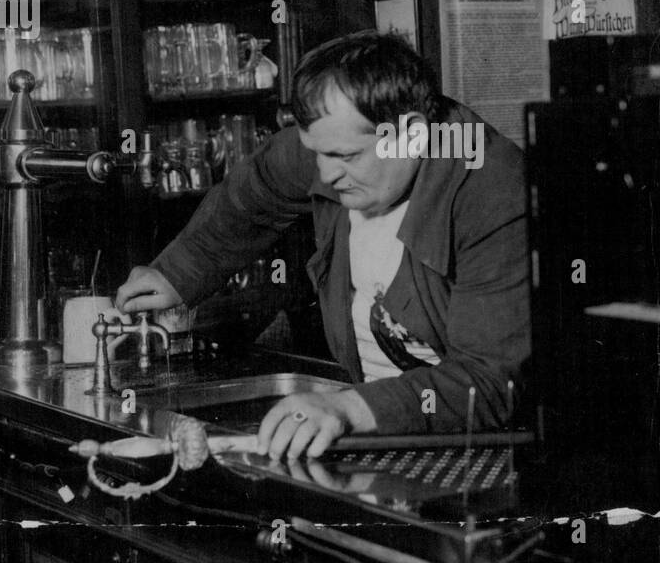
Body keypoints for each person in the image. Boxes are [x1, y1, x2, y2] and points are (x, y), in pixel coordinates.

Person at [115, 32, 530, 461]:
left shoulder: (495, 193)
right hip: (378, 427)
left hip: (485, 442)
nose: (325, 175)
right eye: (317, 153)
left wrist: (349, 407)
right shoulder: (336, 142)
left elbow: (489, 381)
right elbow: (254, 189)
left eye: (345, 157)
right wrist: (178, 270)